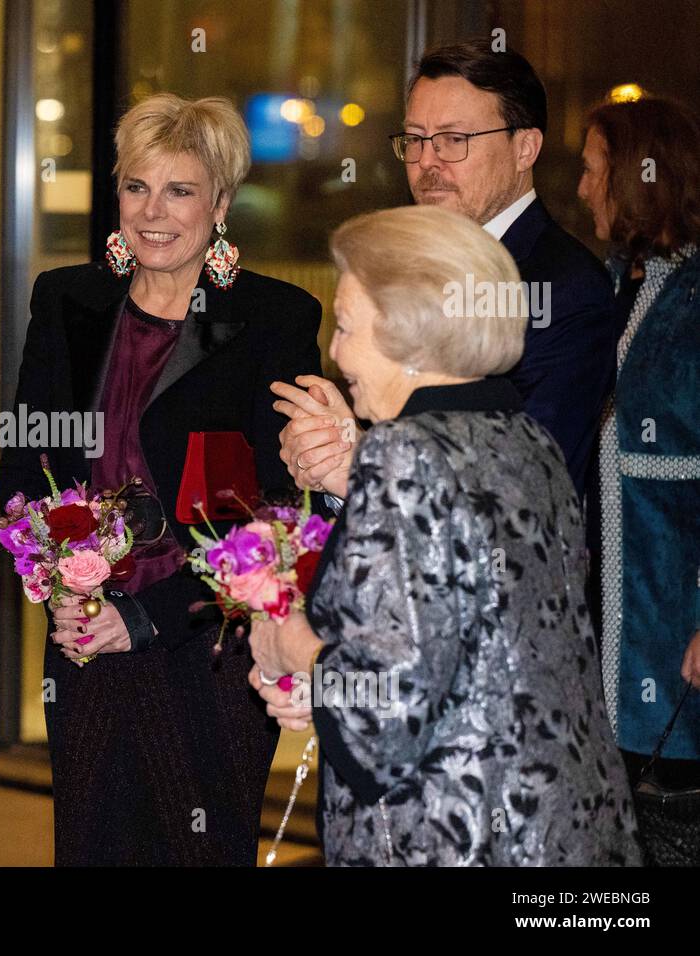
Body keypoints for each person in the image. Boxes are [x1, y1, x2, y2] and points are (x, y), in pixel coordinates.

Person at [249, 205, 639, 866]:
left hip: (453, 837)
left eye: (346, 325)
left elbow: (387, 716)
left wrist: (293, 649)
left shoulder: (404, 454)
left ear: (410, 332)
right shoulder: (526, 440)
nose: (336, 350)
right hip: (566, 828)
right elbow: (463, 653)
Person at [0, 93, 323, 865]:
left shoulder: (272, 320)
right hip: (83, 644)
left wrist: (145, 619)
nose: (153, 212)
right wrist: (60, 582)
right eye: (137, 187)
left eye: (180, 190)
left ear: (221, 205)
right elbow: (26, 457)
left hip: (206, 653)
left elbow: (278, 515)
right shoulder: (68, 300)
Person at [275, 38, 616, 502]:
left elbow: (528, 479)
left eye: (454, 140)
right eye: (415, 139)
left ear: (525, 148)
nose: (427, 162)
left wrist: (360, 464)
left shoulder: (566, 288)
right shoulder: (407, 267)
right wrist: (342, 446)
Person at [578, 95, 700, 817]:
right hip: (610, 639)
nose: (585, 187)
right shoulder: (612, 283)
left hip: (676, 633)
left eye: (595, 169)